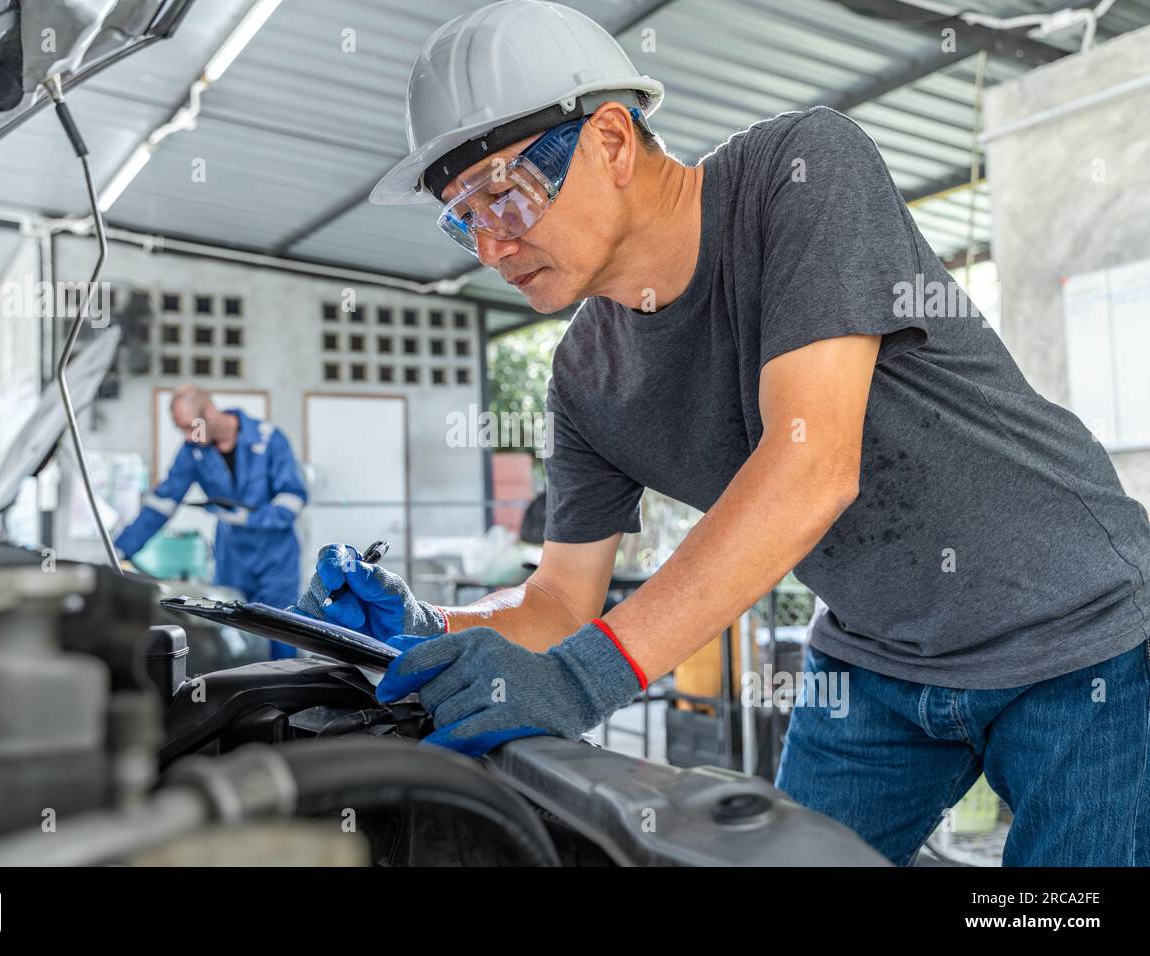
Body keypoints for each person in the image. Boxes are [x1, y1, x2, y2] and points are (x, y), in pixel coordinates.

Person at [298, 0, 1150, 866]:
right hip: (876, 657)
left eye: (501, 195)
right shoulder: (587, 377)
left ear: (611, 142)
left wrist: (586, 679)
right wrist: (429, 621)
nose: (489, 244)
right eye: (461, 217)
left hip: (1077, 628)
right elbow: (559, 601)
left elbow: (812, 466)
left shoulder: (802, 171)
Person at [116, 384, 308, 657]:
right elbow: (162, 504)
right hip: (232, 556)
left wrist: (251, 518)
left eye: (189, 426)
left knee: (280, 630)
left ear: (209, 411)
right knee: (234, 636)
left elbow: (294, 498)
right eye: (181, 429)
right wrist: (120, 549)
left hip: (275, 557)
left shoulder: (269, 439)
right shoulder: (193, 451)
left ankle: (285, 697)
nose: (187, 435)